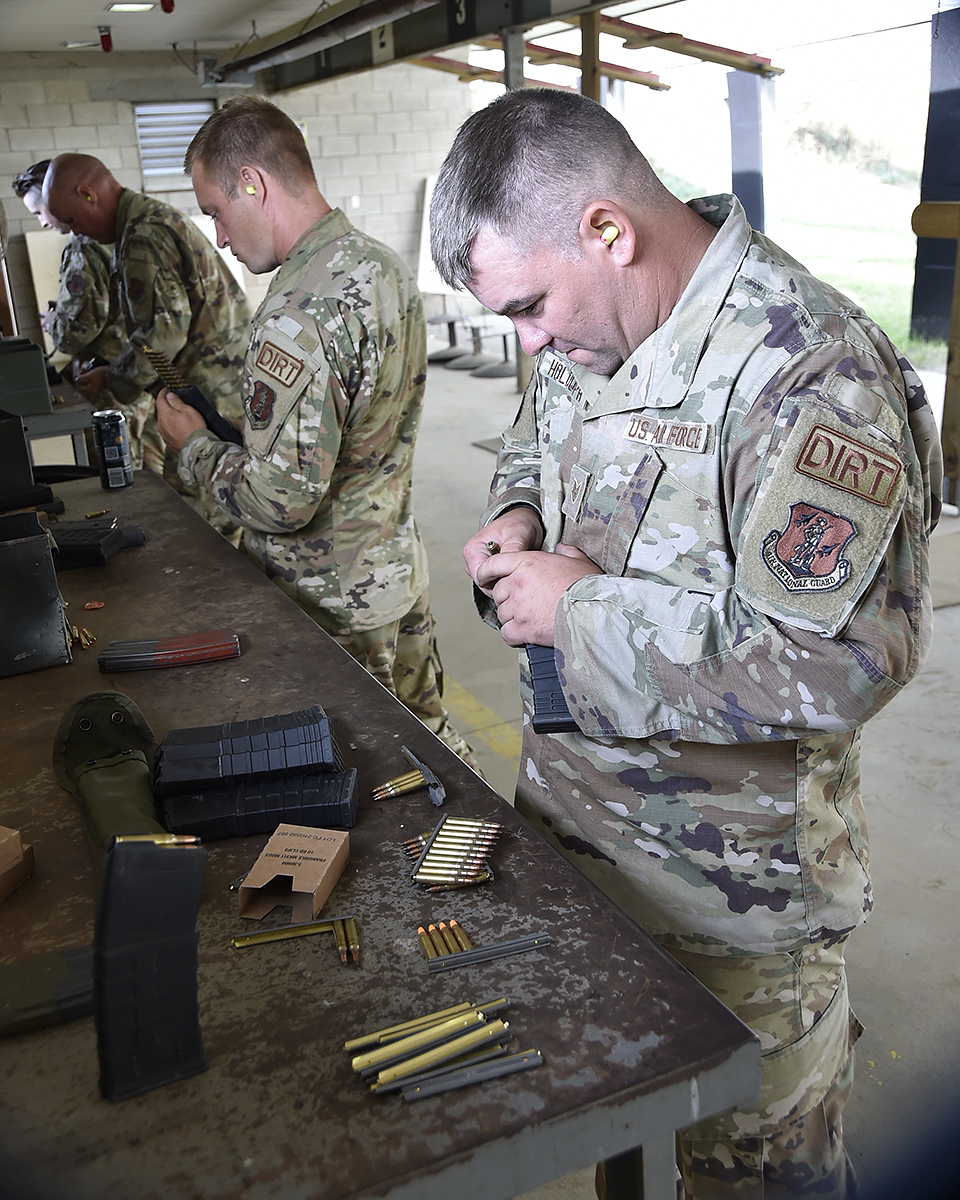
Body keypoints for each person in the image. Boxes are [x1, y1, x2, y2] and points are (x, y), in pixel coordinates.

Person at [430, 88, 942, 1199]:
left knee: (751, 1179)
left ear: (608, 231)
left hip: (735, 909)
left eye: (527, 307)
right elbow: (535, 437)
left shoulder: (807, 369)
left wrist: (579, 614)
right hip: (582, 856)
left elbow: (852, 657)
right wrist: (519, 514)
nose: (528, 343)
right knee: (624, 1143)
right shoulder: (590, 318)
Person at [154, 95, 477, 769]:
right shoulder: (379, 265)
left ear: (254, 184)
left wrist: (194, 450)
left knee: (376, 772)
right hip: (393, 568)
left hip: (332, 598)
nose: (216, 235)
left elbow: (282, 500)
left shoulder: (298, 310)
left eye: (215, 209)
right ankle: (486, 862)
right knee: (433, 745)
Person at [42, 153, 251, 534]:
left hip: (208, 391)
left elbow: (164, 333)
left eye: (72, 221)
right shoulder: (146, 221)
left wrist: (114, 378)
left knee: (204, 517)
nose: (79, 234)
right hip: (217, 381)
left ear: (88, 194)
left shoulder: (142, 234)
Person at [12, 160, 158, 467]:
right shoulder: (118, 234)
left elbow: (79, 329)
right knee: (156, 473)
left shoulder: (83, 247)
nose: (41, 222)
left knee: (123, 474)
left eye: (40, 211)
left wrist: (55, 321)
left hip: (109, 381)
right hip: (141, 374)